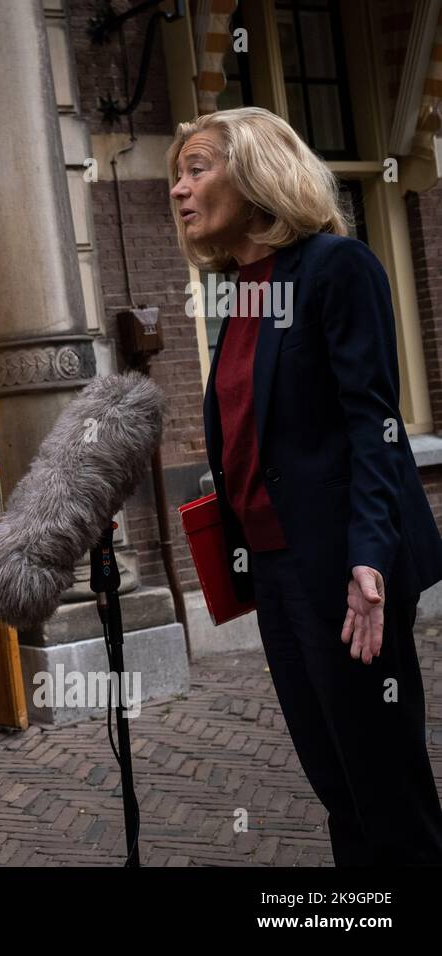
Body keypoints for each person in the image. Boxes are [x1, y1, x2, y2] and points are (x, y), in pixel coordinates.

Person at [169, 106, 442, 864]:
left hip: (345, 566)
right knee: (337, 782)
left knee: (385, 786)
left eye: (197, 168)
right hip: (279, 571)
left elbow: (374, 428)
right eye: (175, 177)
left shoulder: (335, 266)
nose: (179, 190)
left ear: (255, 172)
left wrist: (370, 561)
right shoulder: (242, 292)